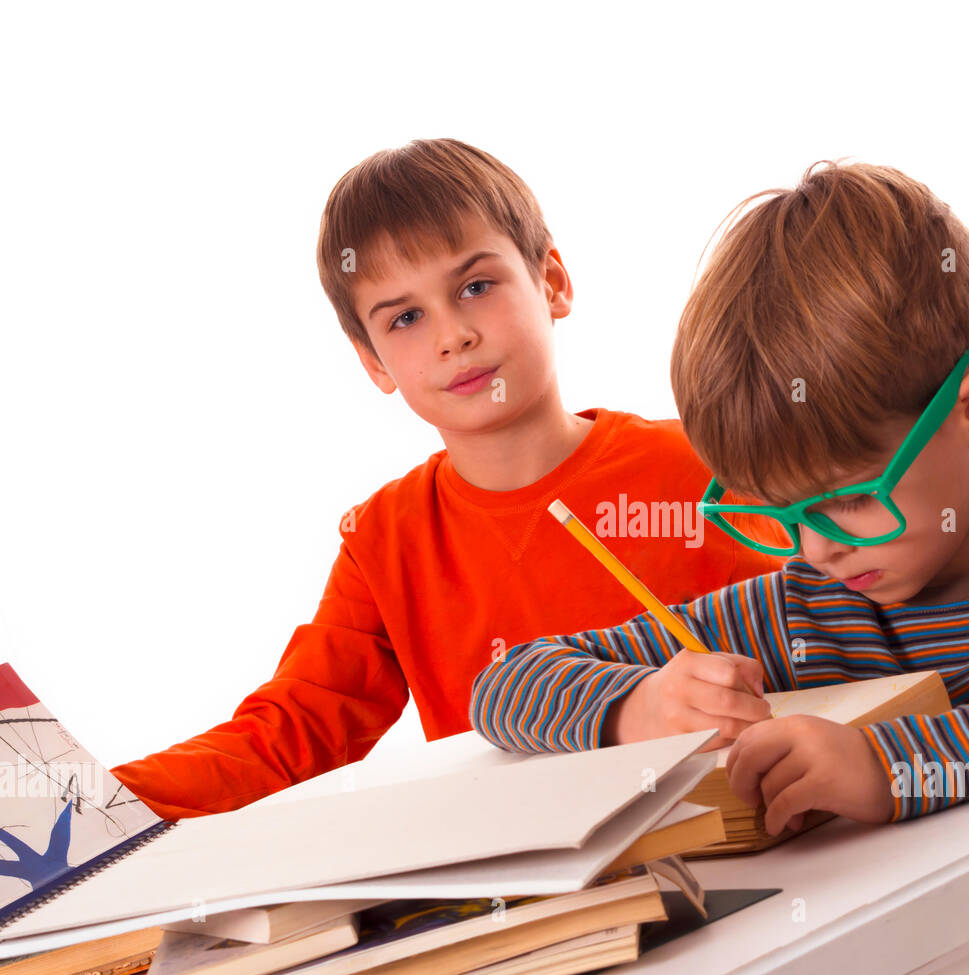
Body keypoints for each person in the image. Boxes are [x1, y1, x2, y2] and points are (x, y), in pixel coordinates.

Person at [467, 159, 969, 975]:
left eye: (852, 497)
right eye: (782, 514)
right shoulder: (807, 604)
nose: (819, 546)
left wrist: (894, 767)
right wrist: (634, 705)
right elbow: (508, 681)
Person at [110, 139, 783, 822]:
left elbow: (840, 627)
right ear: (372, 362)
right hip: (531, 887)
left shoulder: (709, 468)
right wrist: (92, 805)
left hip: (737, 835)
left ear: (551, 281)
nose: (453, 334)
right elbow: (292, 736)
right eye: (405, 317)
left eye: (475, 287)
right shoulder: (384, 540)